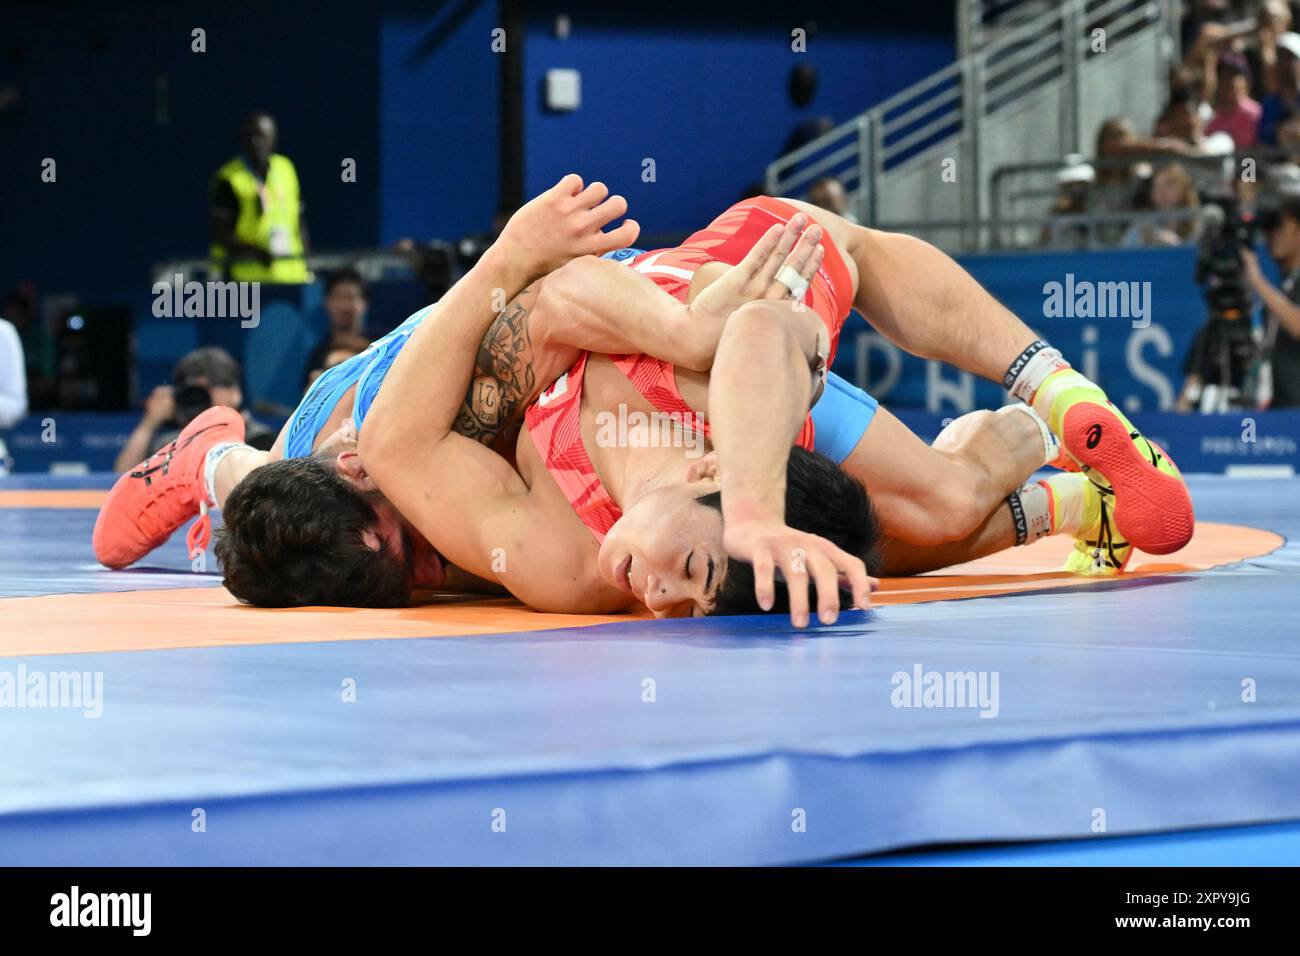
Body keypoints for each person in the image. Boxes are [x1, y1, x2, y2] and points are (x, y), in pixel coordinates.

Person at [98, 181, 1193, 621]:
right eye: (697, 580)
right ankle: (1067, 491)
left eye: (693, 578)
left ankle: (210, 459)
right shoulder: (552, 548)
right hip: (690, 391)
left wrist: (526, 268)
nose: (665, 600)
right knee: (925, 512)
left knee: (809, 259)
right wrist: (755, 526)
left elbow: (560, 302)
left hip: (656, 317)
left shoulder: (387, 440)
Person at [112, 346, 274, 472]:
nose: (200, 399)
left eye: (209, 389)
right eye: (194, 392)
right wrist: (149, 422)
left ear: (235, 392)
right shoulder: (172, 445)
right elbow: (123, 478)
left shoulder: (261, 439)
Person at [209, 111, 310, 284]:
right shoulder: (229, 178)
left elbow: (298, 220)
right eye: (251, 136)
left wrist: (307, 261)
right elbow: (220, 233)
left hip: (291, 275)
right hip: (246, 280)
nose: (256, 142)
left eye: (262, 136)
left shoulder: (286, 169)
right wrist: (255, 252)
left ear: (274, 139)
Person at [1240, 196, 1300, 407]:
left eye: (1278, 226)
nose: (1270, 236)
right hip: (1280, 407)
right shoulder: (1285, 283)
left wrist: (1257, 280)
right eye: (1267, 229)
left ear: (1295, 228)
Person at [304, 268, 371, 386]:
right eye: (338, 297)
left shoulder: (383, 344)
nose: (344, 305)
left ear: (364, 303)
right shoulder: (318, 355)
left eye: (351, 297)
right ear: (327, 303)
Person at [1123, 162, 1201, 247]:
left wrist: (1176, 245)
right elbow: (1125, 253)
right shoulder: (1141, 227)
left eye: (1168, 184)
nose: (1162, 192)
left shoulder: (1199, 223)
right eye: (1156, 186)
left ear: (1184, 188)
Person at [1206, 52, 1261, 149]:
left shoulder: (1256, 114)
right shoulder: (1215, 119)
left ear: (1246, 81)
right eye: (1223, 76)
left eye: (1234, 75)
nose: (1228, 80)